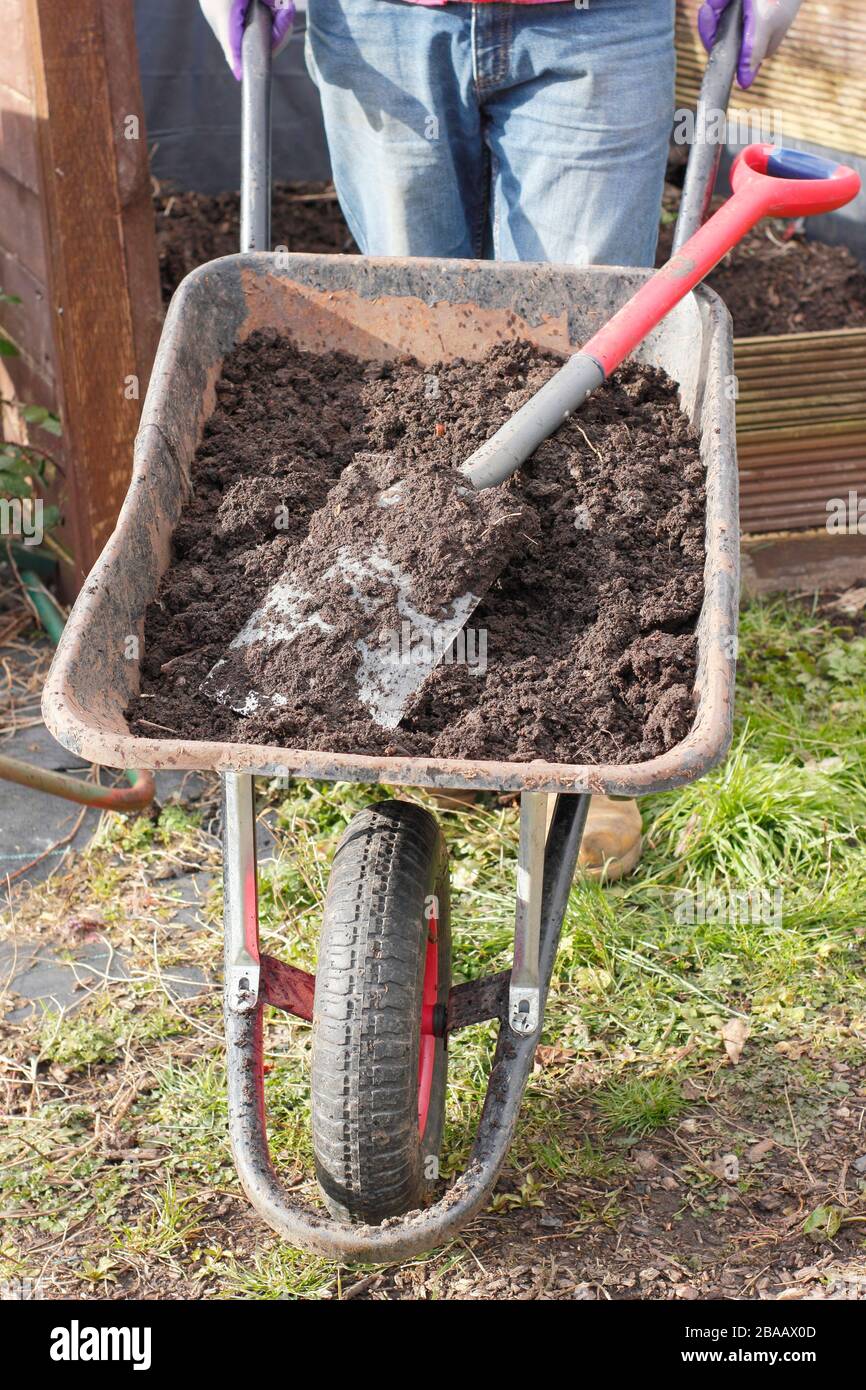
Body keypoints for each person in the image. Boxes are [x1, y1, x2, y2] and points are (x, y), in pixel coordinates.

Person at [201, 0, 802, 878]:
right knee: (415, 356)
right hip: (380, 22)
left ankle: (587, 727)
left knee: (593, 366)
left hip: (597, 19)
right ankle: (432, 684)